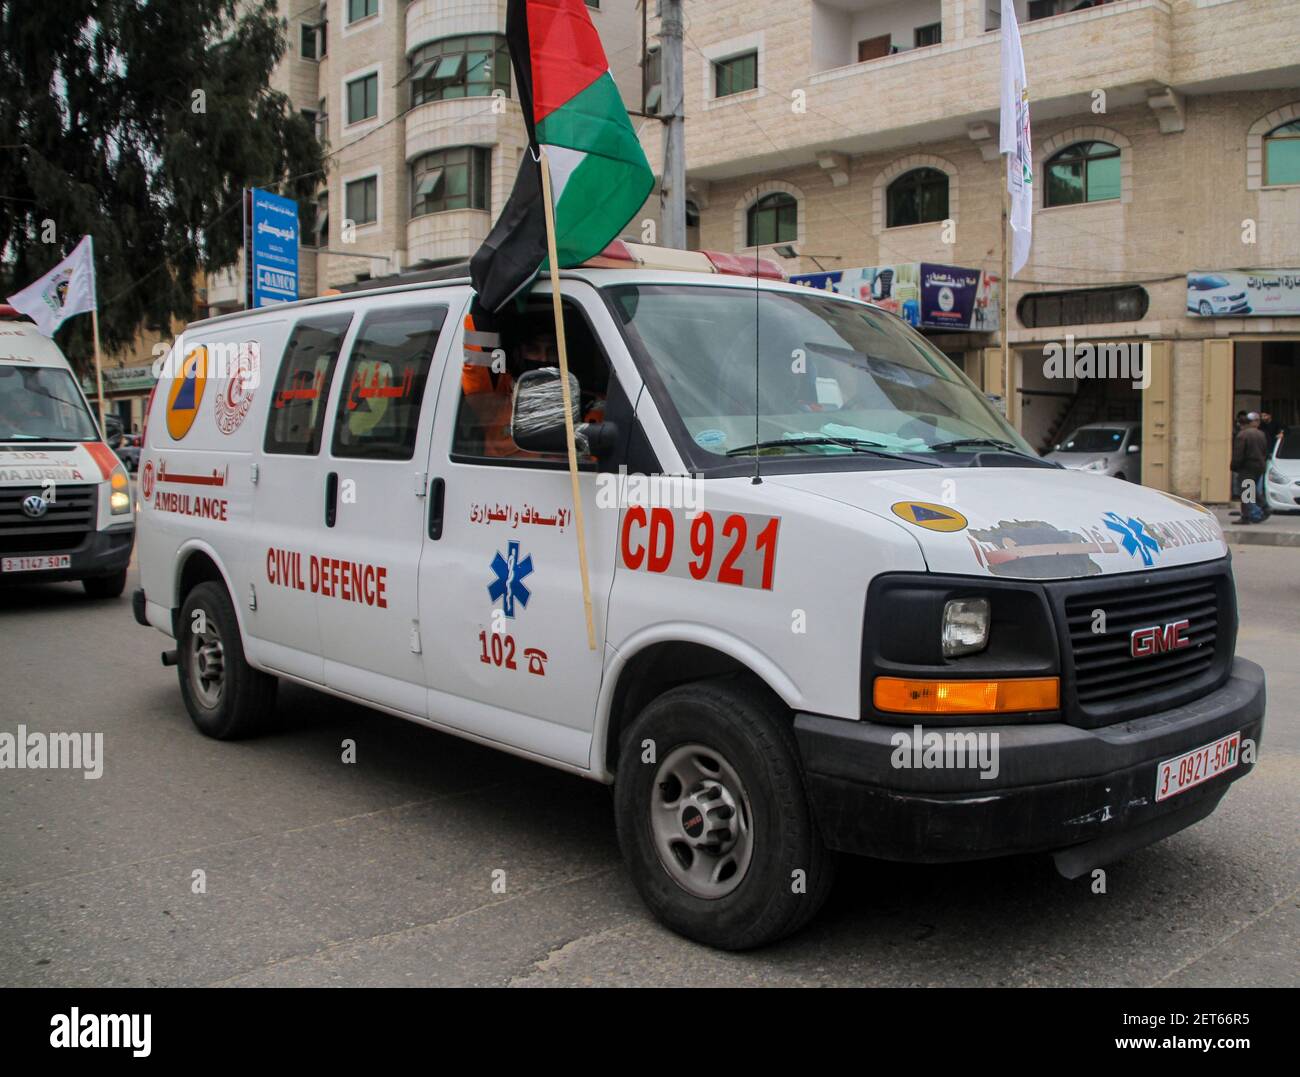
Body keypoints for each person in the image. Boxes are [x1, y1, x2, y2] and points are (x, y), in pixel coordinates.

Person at [459, 327, 604, 458]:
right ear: (518, 354)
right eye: (533, 349)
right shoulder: (498, 398)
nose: (544, 358)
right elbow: (478, 363)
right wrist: (482, 309)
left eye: (552, 351)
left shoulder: (588, 404)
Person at [1231, 412, 1269, 524]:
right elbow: (1264, 451)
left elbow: (1238, 454)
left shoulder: (1242, 435)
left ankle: (1258, 510)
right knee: (1250, 490)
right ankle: (1251, 514)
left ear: (1241, 424)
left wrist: (1234, 466)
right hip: (1259, 466)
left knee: (1246, 491)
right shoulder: (1260, 434)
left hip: (1247, 466)